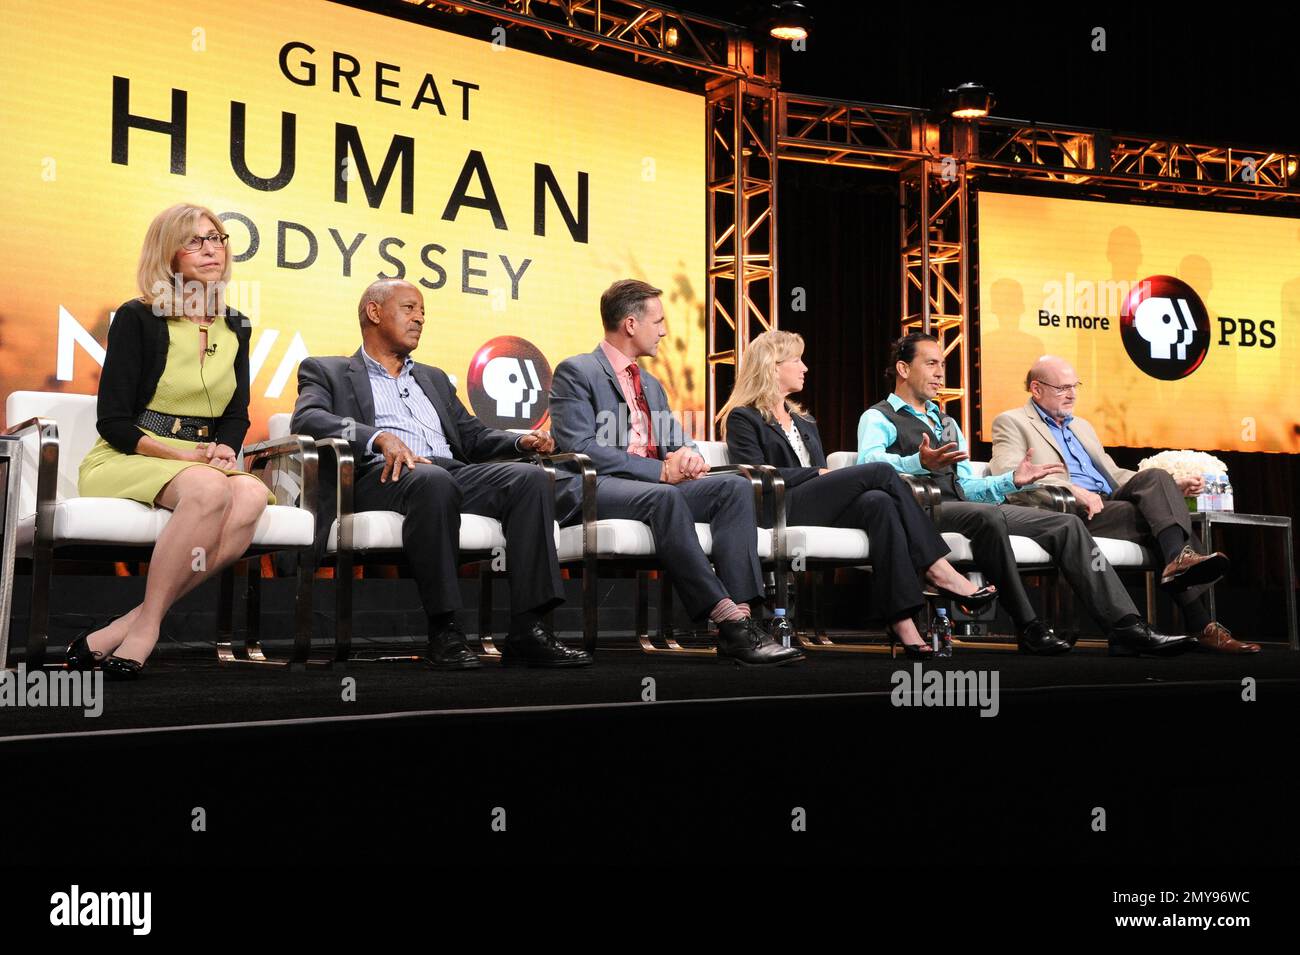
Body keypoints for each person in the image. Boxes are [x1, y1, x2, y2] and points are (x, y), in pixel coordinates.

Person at [290, 279, 591, 669]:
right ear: (374, 312)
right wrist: (379, 437)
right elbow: (308, 417)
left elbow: (472, 435)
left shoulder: (432, 378)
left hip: (447, 473)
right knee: (433, 481)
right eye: (409, 308)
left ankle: (528, 629)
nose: (419, 319)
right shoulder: (328, 370)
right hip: (379, 477)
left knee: (530, 478)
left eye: (423, 312)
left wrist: (520, 443)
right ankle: (445, 628)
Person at [858, 332, 1194, 657]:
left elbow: (967, 486)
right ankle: (1028, 625)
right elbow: (867, 464)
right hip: (922, 511)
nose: (940, 372)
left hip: (962, 506)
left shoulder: (946, 422)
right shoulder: (879, 417)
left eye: (942, 364)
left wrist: (1012, 481)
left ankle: (1125, 627)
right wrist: (917, 460)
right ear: (903, 369)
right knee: (985, 515)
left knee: (1065, 525)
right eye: (931, 363)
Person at [549, 279, 803, 666]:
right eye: (659, 321)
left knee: (733, 488)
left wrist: (689, 457)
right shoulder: (577, 371)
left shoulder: (650, 383)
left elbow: (678, 441)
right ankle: (726, 618)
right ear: (631, 324)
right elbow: (580, 448)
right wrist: (659, 471)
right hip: (594, 488)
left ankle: (744, 619)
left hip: (652, 489)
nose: (665, 331)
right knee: (663, 494)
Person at [71, 203, 274, 679]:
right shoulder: (138, 317)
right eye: (195, 241)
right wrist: (183, 455)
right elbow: (114, 422)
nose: (211, 249)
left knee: (247, 493)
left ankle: (134, 619)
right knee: (209, 488)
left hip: (200, 461)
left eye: (217, 238)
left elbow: (236, 412)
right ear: (170, 255)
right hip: (130, 456)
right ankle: (146, 632)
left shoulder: (237, 324)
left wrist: (225, 447)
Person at [719, 329, 997, 657]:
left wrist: (821, 477)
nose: (805, 367)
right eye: (796, 360)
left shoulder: (804, 421)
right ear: (771, 366)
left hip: (814, 503)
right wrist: (816, 473)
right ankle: (937, 568)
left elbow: (823, 481)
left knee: (879, 502)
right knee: (879, 471)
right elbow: (751, 473)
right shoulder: (744, 417)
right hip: (778, 507)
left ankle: (902, 621)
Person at [989, 355, 1257, 653]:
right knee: (1156, 521)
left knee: (1156, 478)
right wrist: (1072, 489)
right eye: (1062, 387)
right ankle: (1199, 617)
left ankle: (1179, 562)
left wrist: (1170, 486)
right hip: (1069, 510)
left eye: (1075, 386)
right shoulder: (1011, 422)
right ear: (1036, 389)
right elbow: (1010, 475)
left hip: (1108, 501)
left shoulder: (1082, 427)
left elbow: (1114, 474)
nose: (1072, 394)